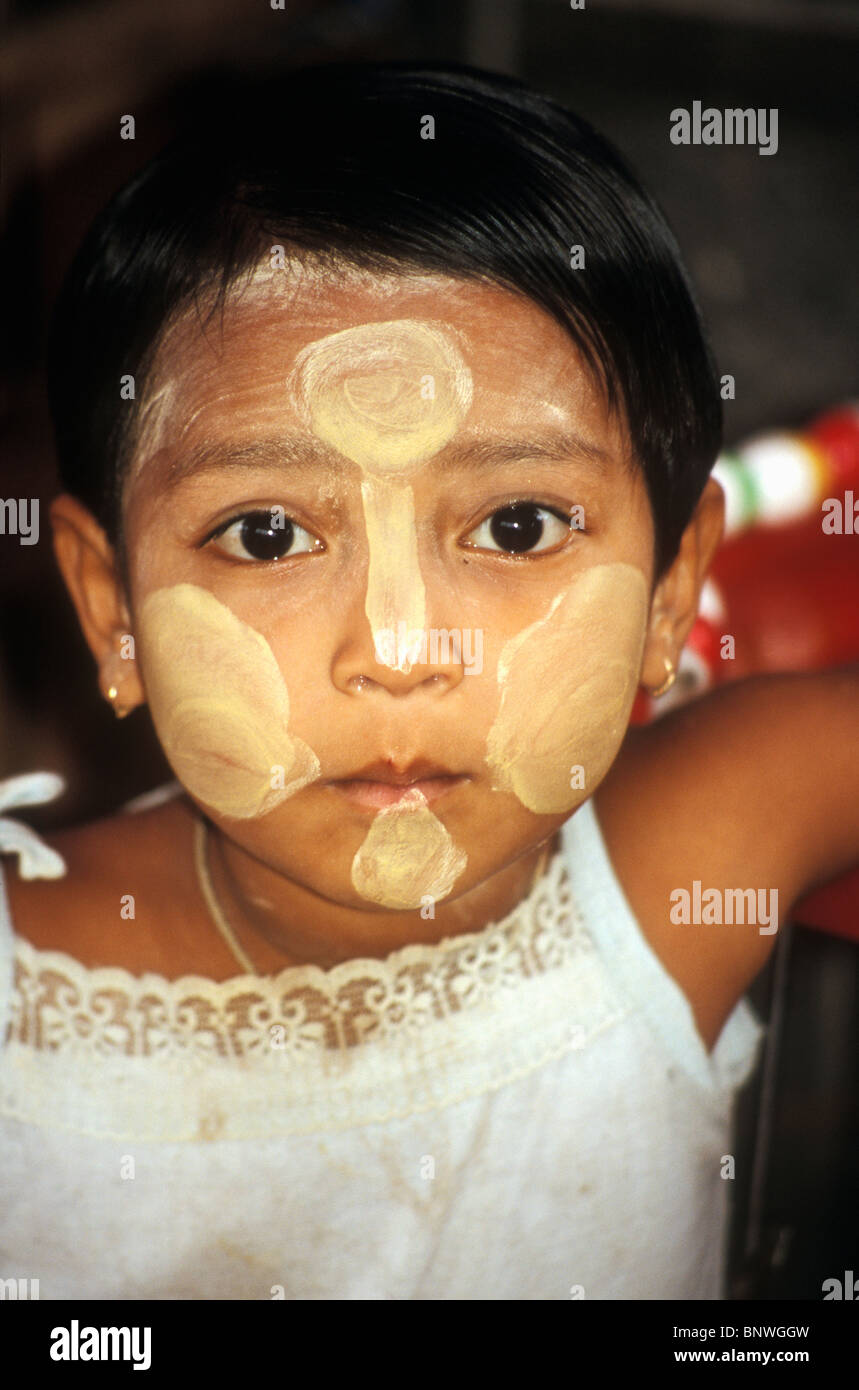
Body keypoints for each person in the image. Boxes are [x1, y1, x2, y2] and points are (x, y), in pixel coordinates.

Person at [1, 61, 856, 1300]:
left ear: (670, 592)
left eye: (514, 528)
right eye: (266, 535)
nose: (399, 652)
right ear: (111, 611)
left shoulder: (688, 859)